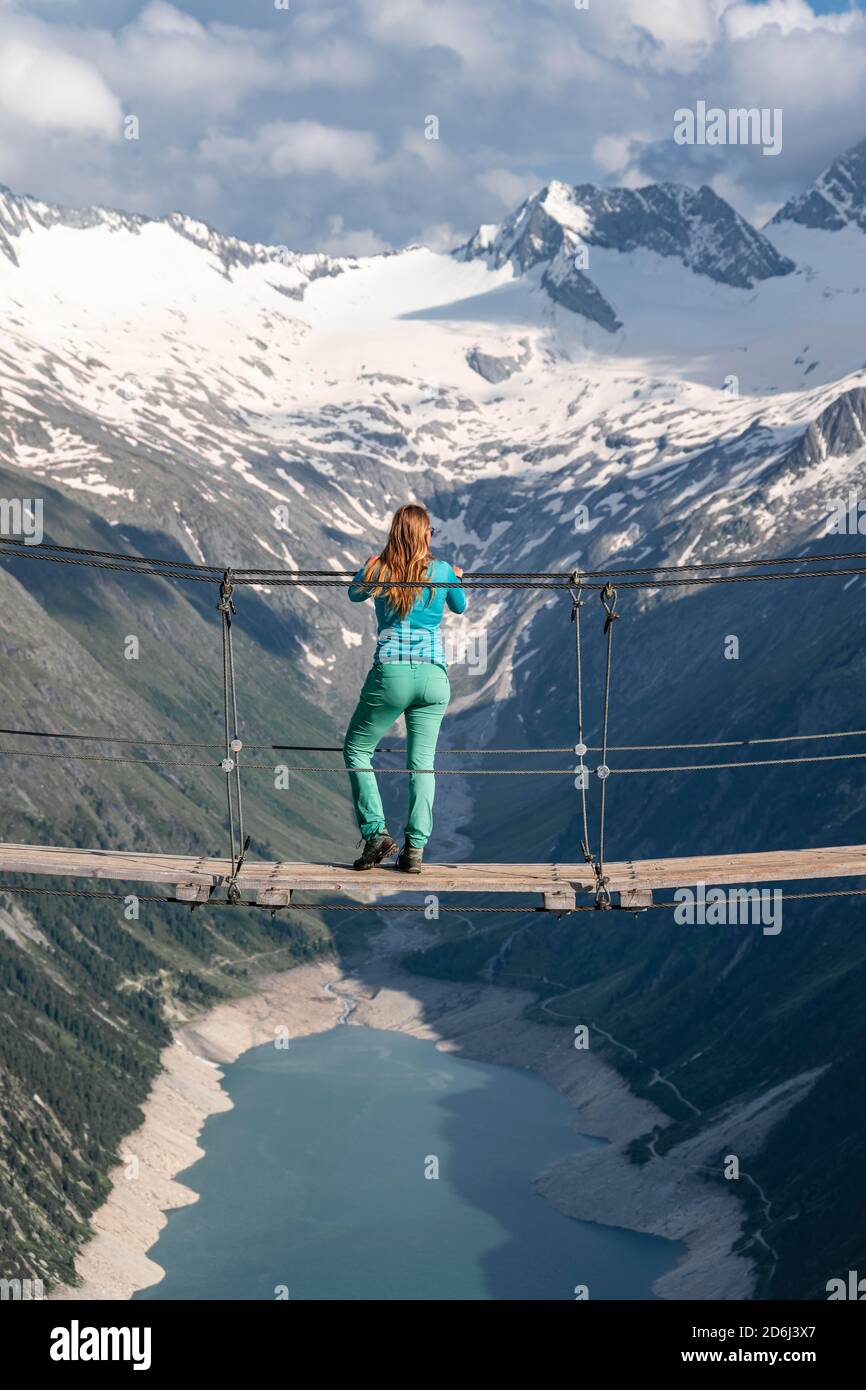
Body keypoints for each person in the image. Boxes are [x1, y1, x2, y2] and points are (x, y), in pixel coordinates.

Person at [343, 503, 466, 873]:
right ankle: (414, 850)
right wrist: (454, 577)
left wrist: (368, 567)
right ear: (424, 535)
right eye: (430, 532)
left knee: (357, 749)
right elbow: (459, 606)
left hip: (392, 674)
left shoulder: (380, 569)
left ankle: (376, 833)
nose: (432, 538)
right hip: (433, 678)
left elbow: (353, 594)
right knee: (422, 764)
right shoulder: (443, 570)